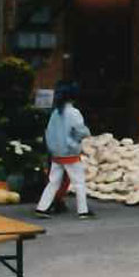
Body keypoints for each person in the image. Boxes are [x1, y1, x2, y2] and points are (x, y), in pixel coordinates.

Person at [35, 83, 94, 219]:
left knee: (53, 181)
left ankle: (42, 207)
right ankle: (83, 210)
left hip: (56, 153)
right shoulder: (74, 113)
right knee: (79, 182)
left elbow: (48, 132)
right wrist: (79, 140)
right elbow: (81, 131)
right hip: (70, 153)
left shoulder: (55, 112)